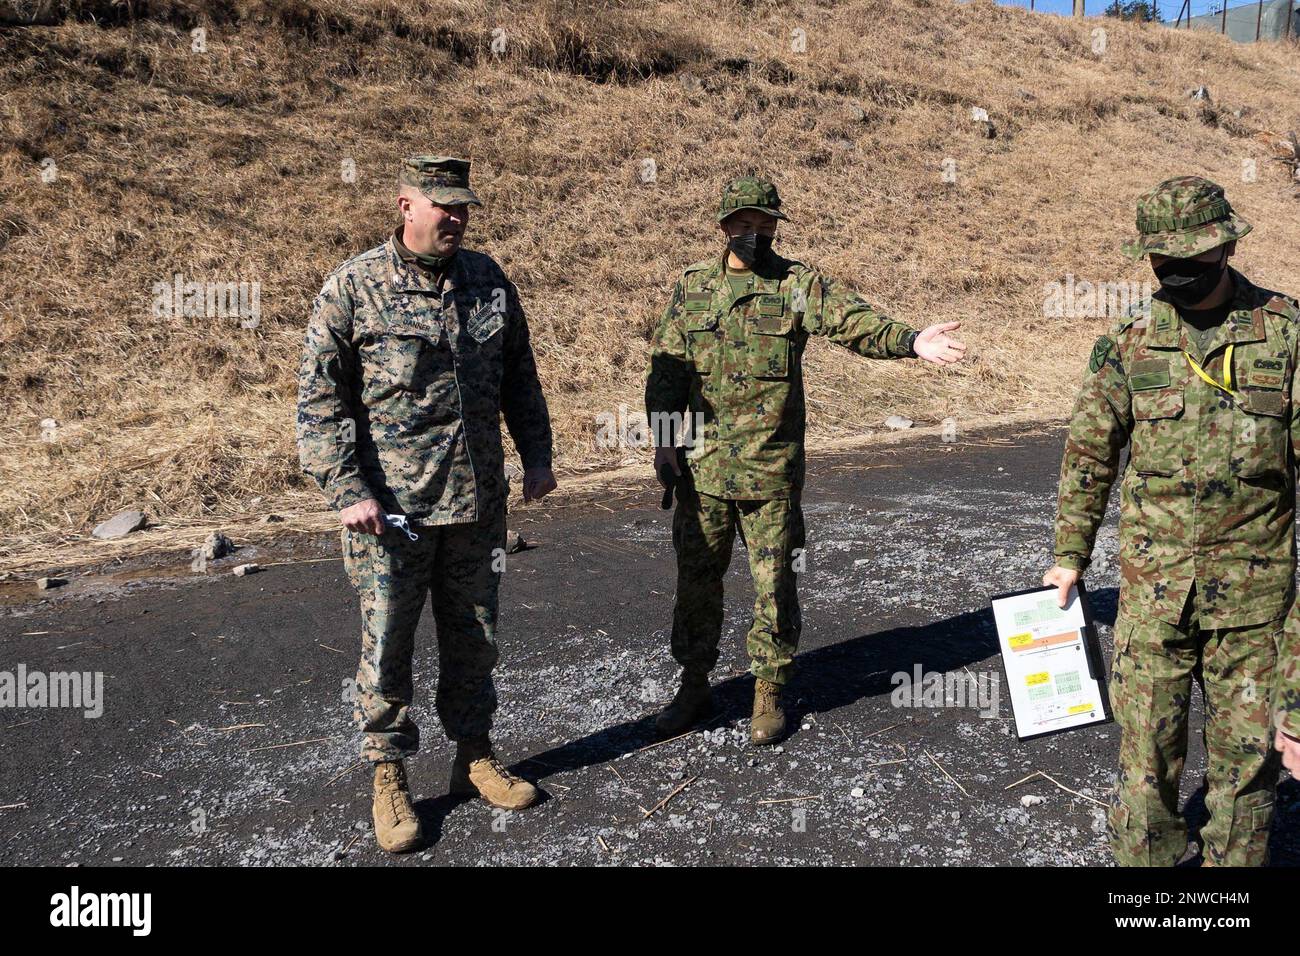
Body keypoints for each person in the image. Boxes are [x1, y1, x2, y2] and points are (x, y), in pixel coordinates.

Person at [645, 175, 966, 746]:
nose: (756, 235)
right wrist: (664, 441)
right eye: (745, 225)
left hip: (771, 470)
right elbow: (666, 371)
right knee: (697, 583)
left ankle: (769, 688)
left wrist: (912, 341)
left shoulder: (797, 286)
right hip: (703, 472)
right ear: (724, 227)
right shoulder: (691, 289)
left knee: (774, 584)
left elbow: (854, 322)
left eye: (766, 226)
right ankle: (693, 685)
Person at [297, 155, 556, 853]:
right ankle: (388, 776)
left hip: (475, 507)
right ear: (405, 204)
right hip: (392, 515)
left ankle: (474, 756)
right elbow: (320, 406)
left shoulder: (486, 281)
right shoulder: (352, 288)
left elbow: (519, 373)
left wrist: (537, 455)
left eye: (464, 206)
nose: (456, 218)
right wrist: (347, 490)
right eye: (442, 205)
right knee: (387, 651)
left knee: (476, 639)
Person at [1044, 175, 1298, 866]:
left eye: (1194, 258)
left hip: (1254, 612)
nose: (1178, 273)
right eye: (1164, 261)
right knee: (1144, 768)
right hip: (1153, 600)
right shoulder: (1129, 339)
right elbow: (1091, 450)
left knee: (1247, 777)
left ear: (1227, 245)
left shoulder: (1286, 336)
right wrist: (1070, 553)